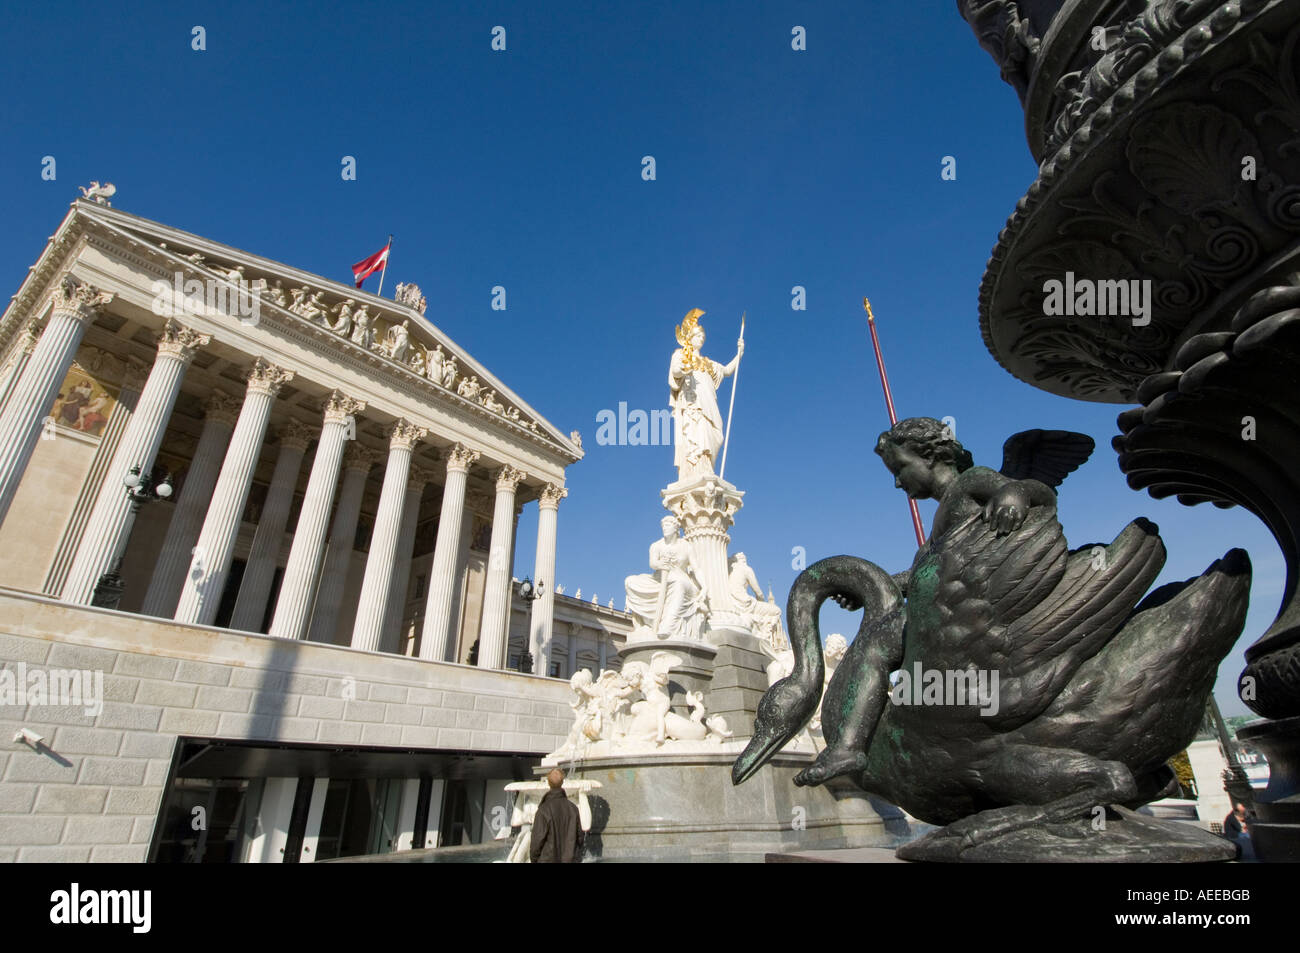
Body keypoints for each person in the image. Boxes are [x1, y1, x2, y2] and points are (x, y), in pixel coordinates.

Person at [529, 768, 582, 863]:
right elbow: (580, 838)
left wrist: (534, 860)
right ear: (562, 782)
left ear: (548, 783)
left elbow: (536, 841)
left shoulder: (543, 810)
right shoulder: (573, 808)